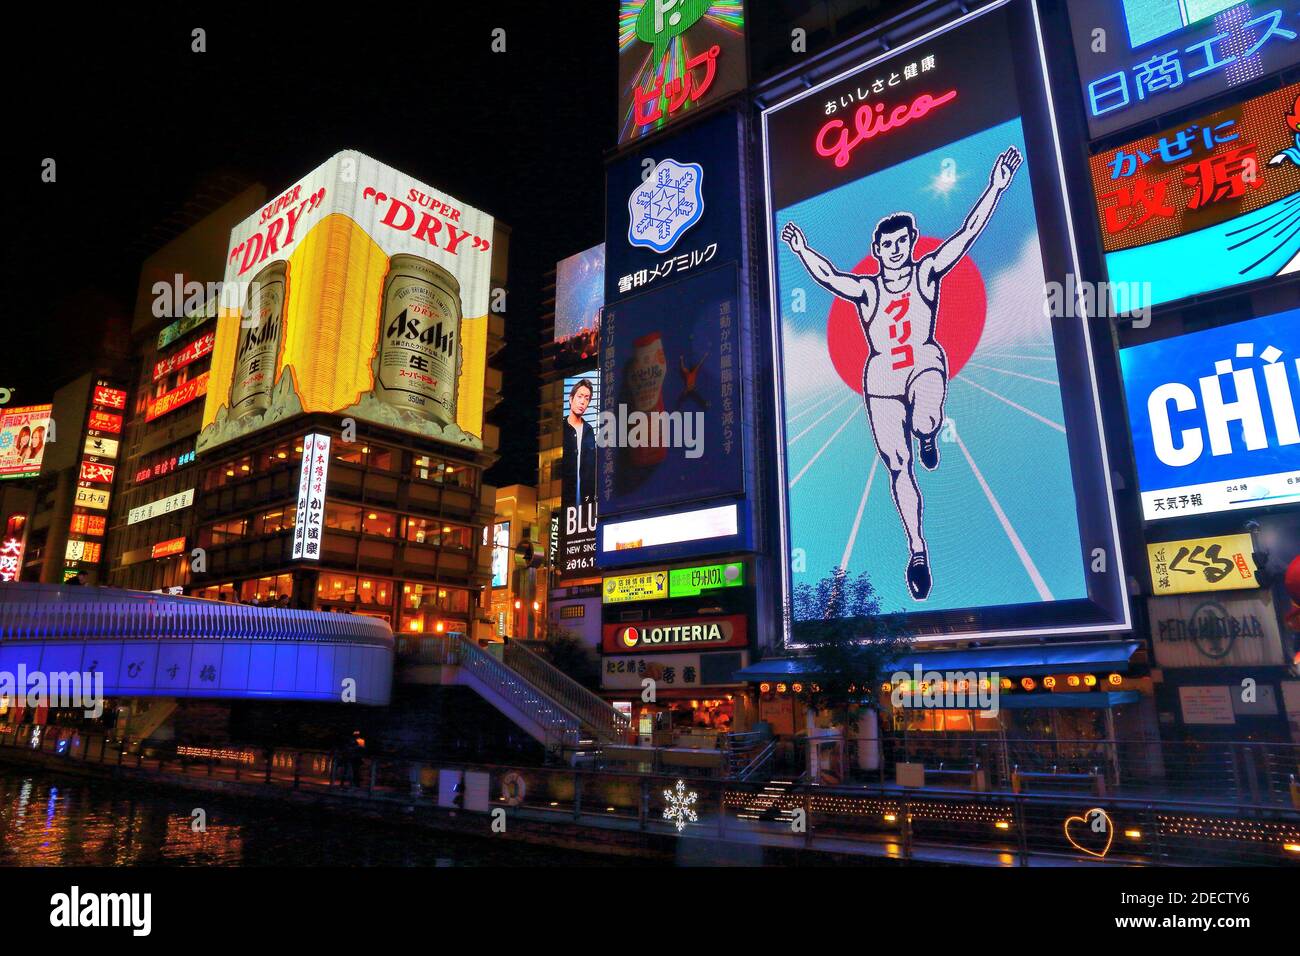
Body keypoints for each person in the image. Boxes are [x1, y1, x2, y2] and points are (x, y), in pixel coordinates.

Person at [781, 146, 1022, 601]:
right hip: (882, 381)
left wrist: (995, 186)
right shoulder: (868, 289)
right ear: (876, 250)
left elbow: (967, 234)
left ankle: (928, 431)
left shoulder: (927, 273)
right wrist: (800, 249)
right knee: (897, 464)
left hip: (924, 362)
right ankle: (917, 549)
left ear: (911, 243)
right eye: (887, 245)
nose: (895, 250)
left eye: (901, 243)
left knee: (925, 415)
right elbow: (830, 277)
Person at [561, 379, 597, 506]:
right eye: (580, 396)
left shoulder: (589, 430)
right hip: (565, 500)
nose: (582, 401)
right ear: (571, 399)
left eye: (587, 398)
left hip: (586, 501)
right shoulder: (561, 429)